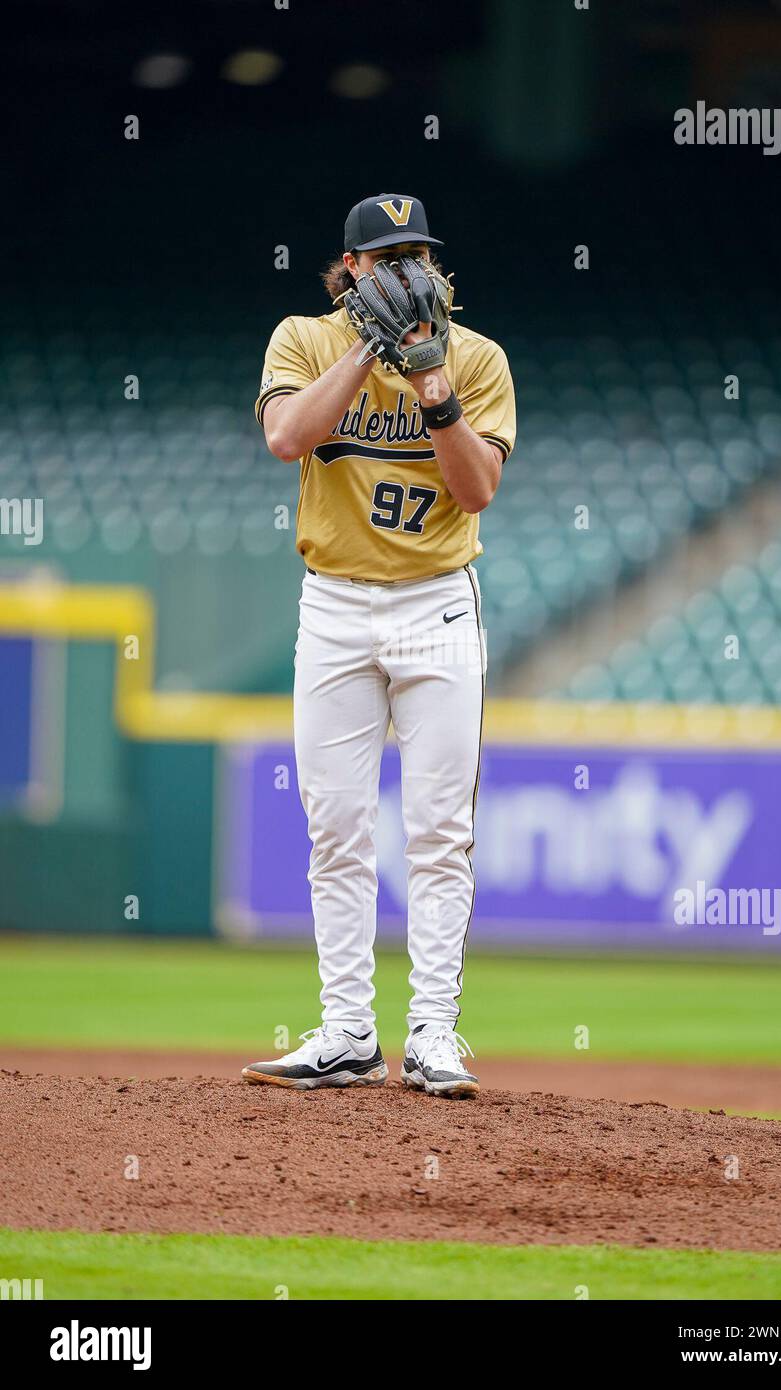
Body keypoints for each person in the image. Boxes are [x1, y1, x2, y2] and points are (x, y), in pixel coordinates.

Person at [242, 193, 516, 1098]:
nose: (406, 270)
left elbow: (477, 493)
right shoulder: (305, 338)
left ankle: (434, 1034)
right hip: (333, 605)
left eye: (419, 254)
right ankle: (348, 1032)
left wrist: (433, 384)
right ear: (351, 267)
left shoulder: (476, 358)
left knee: (439, 833)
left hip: (436, 603)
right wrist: (368, 348)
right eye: (387, 256)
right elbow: (288, 436)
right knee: (338, 829)